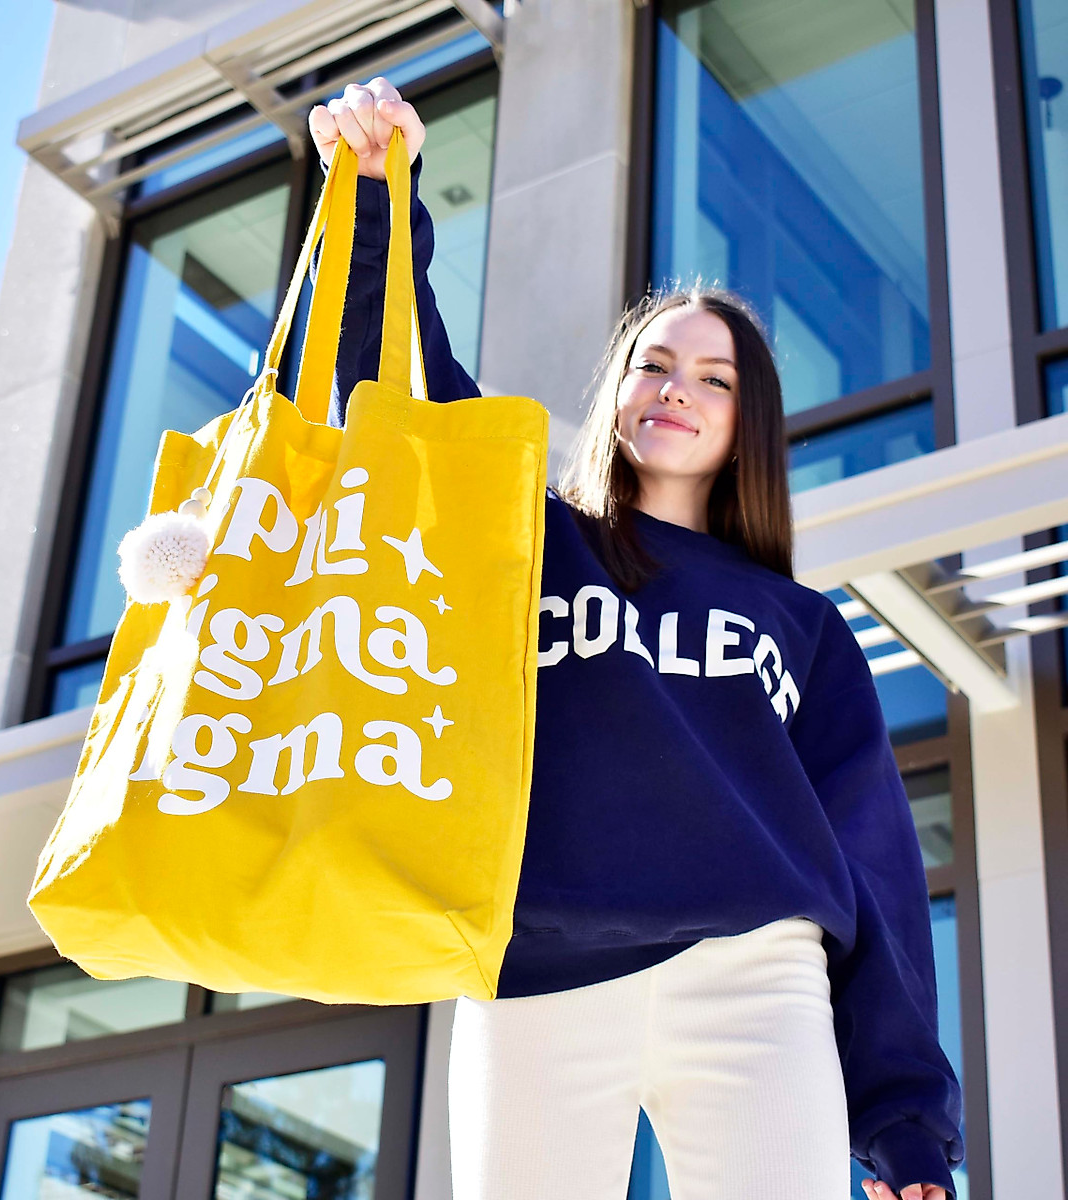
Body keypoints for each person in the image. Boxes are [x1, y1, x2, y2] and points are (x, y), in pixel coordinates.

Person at [307, 77, 965, 1200]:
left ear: (746, 423)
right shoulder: (525, 541)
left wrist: (904, 1119)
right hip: (541, 970)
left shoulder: (802, 625)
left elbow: (876, 865)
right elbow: (403, 405)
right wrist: (377, 201)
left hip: (759, 978)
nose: (676, 389)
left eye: (713, 377)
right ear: (617, 391)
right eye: (653, 363)